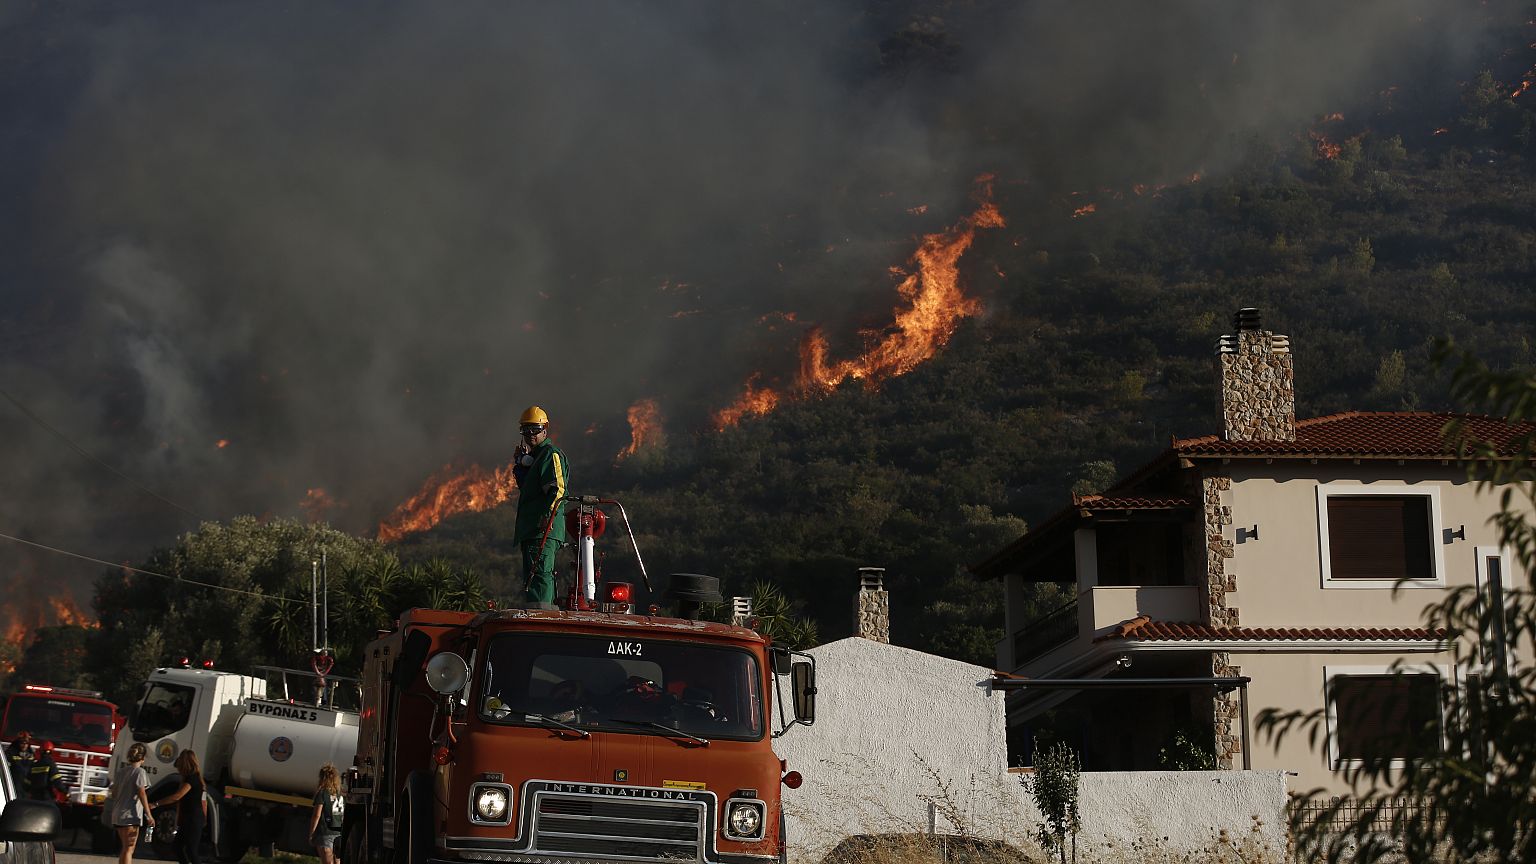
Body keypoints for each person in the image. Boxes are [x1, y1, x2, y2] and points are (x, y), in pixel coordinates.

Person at [511, 405, 569, 604]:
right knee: (534, 576)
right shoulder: (535, 458)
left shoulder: (549, 454)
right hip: (532, 529)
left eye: (534, 429)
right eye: (525, 430)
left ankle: (542, 617)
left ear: (545, 428)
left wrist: (548, 516)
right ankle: (539, 610)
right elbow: (526, 487)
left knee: (540, 574)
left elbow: (558, 489)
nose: (530, 434)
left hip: (543, 526)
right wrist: (521, 465)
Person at [152, 750, 206, 864]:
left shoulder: (192, 779)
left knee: (191, 850)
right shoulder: (194, 778)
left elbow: (177, 796)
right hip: (189, 818)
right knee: (178, 847)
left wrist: (156, 803)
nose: (179, 771)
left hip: (193, 818)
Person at [110, 742, 155, 864]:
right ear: (142, 758)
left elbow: (114, 793)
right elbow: (142, 793)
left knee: (125, 848)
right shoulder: (140, 772)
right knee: (129, 848)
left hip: (118, 813)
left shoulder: (121, 772)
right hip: (130, 814)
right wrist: (149, 814)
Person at [308, 762, 345, 864]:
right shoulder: (340, 795)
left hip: (325, 833)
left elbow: (317, 815)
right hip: (338, 834)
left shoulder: (323, 793)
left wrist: (311, 834)